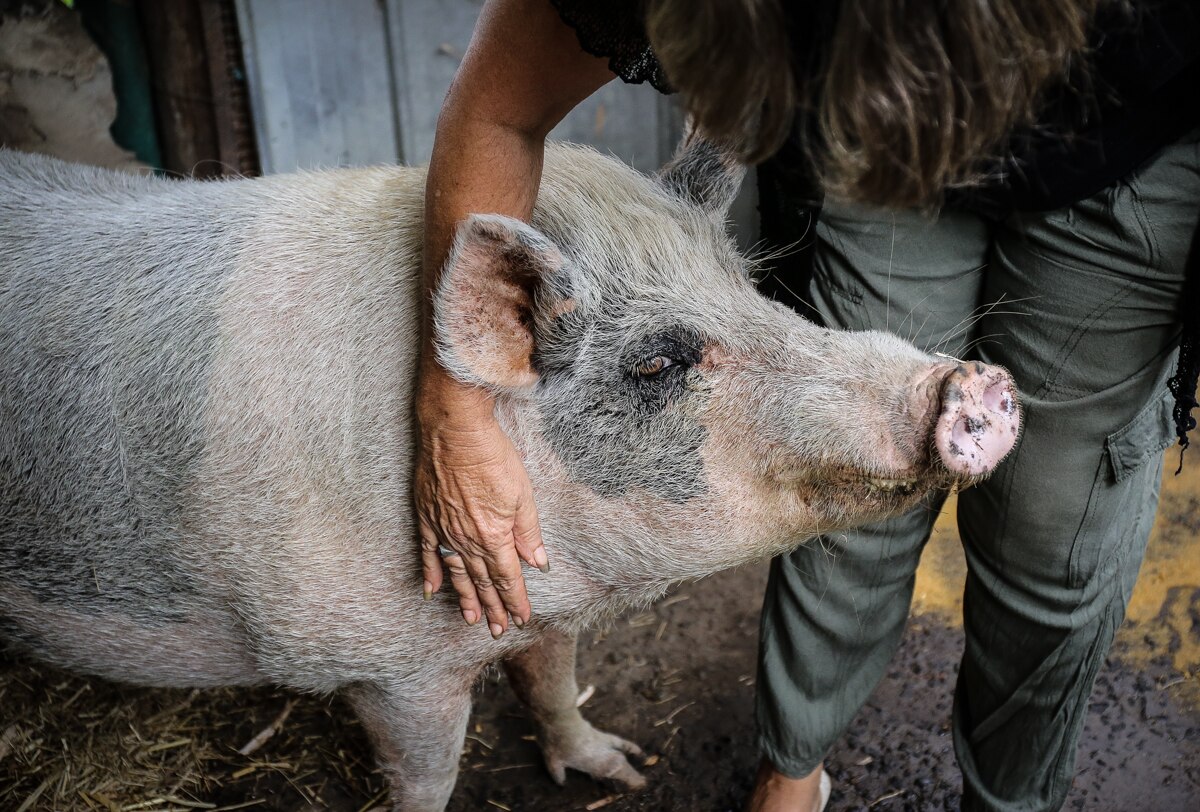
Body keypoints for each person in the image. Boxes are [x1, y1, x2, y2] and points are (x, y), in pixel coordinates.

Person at [415, 1, 1200, 809]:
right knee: (837, 478)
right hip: (876, 133)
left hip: (1128, 142)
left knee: (1051, 523)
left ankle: (1011, 799)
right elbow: (500, 104)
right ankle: (792, 761)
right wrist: (455, 410)